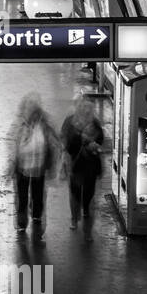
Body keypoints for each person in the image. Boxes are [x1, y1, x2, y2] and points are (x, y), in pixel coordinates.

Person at [8, 94, 59, 238]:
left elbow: (53, 139)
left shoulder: (43, 124)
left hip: (38, 168)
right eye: (28, 107)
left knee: (38, 195)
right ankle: (22, 222)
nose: (30, 111)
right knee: (22, 197)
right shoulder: (20, 124)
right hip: (22, 169)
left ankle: (36, 215)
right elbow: (12, 142)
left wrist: (57, 152)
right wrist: (11, 164)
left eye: (33, 108)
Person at [60, 94, 106, 231]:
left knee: (89, 192)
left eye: (87, 107)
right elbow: (66, 141)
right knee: (74, 193)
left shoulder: (95, 123)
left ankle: (86, 208)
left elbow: (101, 139)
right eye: (81, 106)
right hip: (75, 163)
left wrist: (95, 146)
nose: (84, 109)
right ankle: (74, 219)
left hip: (90, 165)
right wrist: (84, 140)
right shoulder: (70, 121)